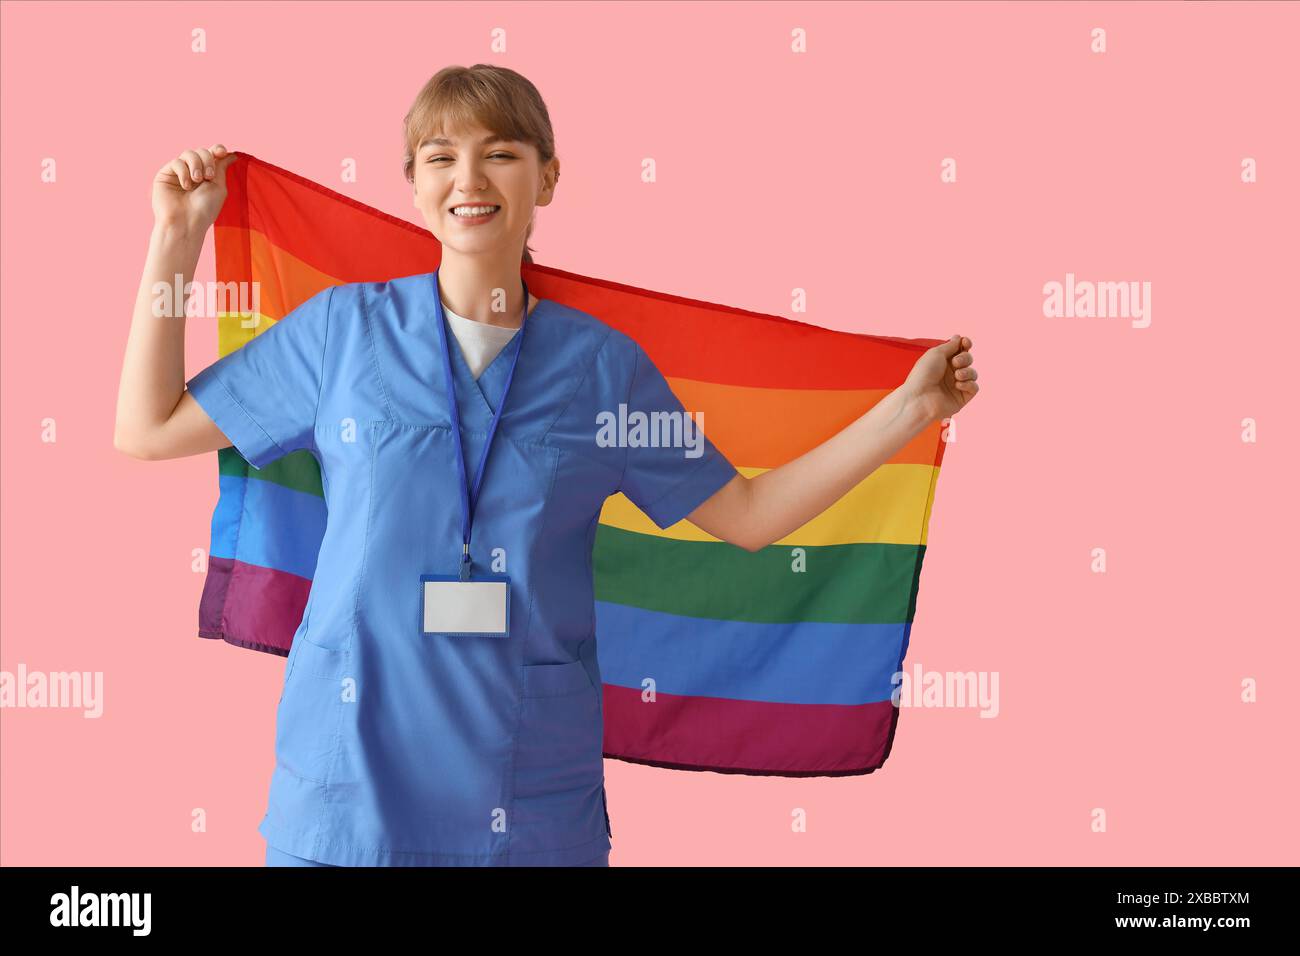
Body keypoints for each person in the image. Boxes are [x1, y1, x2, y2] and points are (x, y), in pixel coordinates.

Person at [113, 65, 980, 868]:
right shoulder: (341, 333)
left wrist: (907, 413)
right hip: (347, 797)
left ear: (549, 179)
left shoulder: (602, 369)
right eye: (441, 156)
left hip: (525, 802)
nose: (470, 178)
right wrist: (176, 239)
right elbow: (146, 428)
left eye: (502, 153)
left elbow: (748, 517)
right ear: (413, 182)